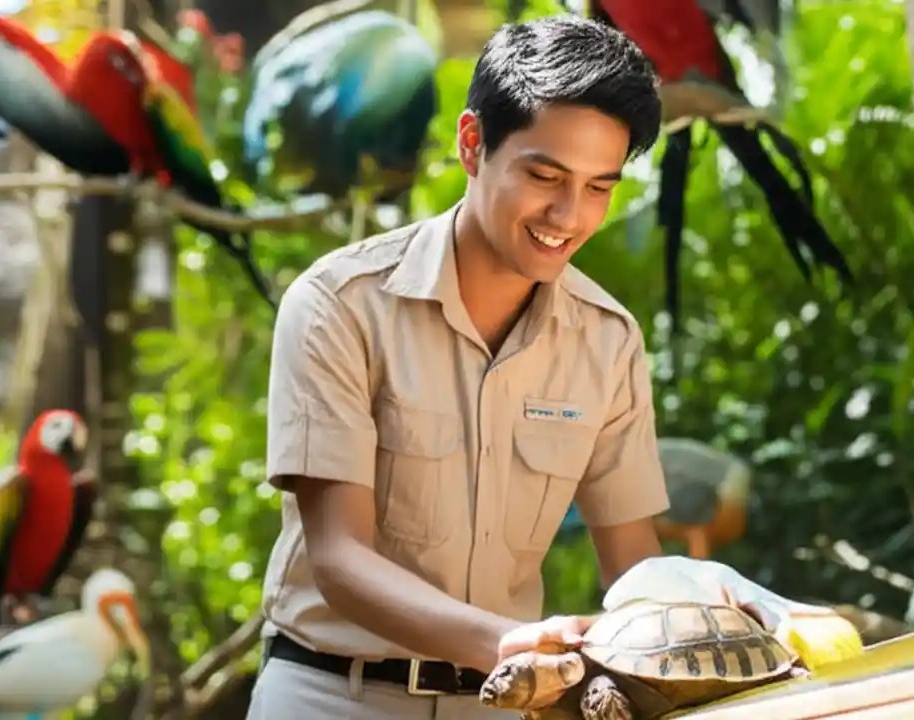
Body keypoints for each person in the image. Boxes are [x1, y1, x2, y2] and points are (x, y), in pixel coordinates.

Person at [245, 14, 672, 720]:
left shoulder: (608, 340)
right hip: (328, 697)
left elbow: (634, 565)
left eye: (600, 186)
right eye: (544, 175)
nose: (569, 215)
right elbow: (340, 558)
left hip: (503, 707)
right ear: (472, 144)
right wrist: (510, 641)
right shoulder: (338, 306)